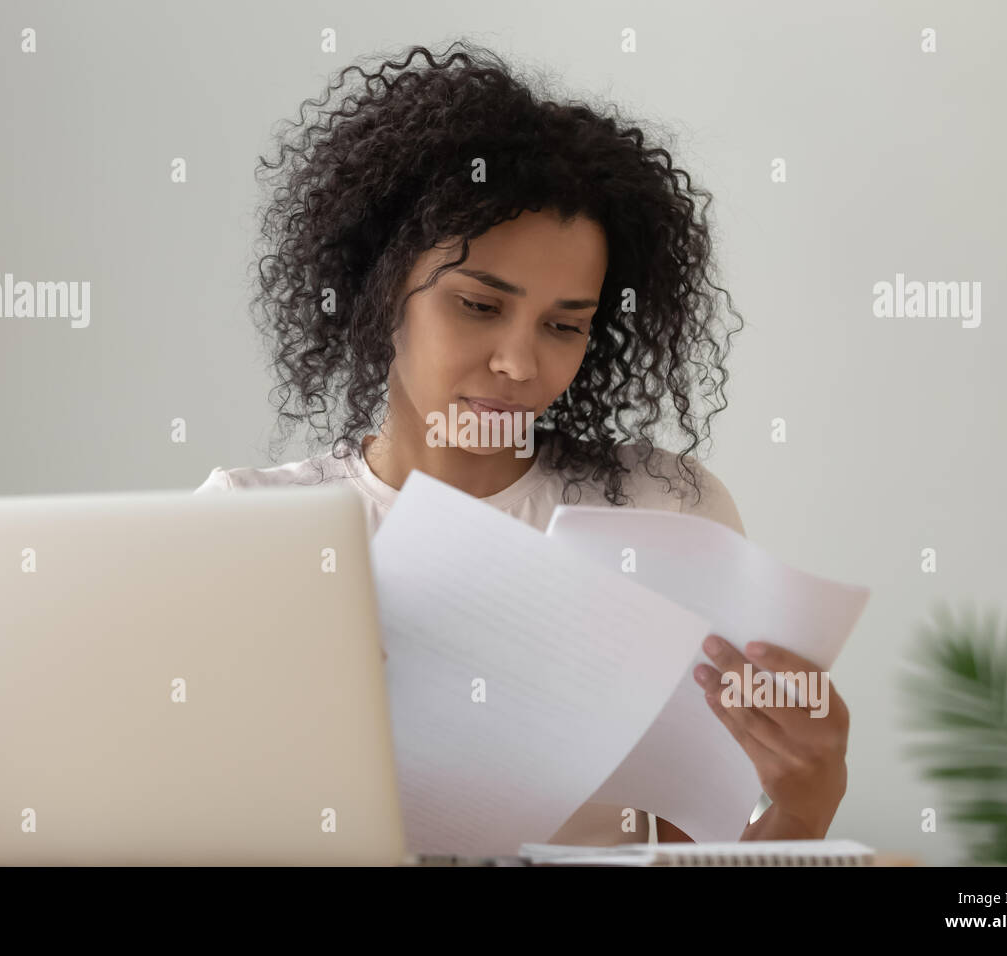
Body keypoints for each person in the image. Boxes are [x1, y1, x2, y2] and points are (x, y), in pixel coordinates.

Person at [197, 40, 848, 845]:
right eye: (477, 305)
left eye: (564, 325)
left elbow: (686, 851)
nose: (517, 363)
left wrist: (803, 806)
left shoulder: (667, 510)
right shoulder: (248, 527)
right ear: (379, 291)